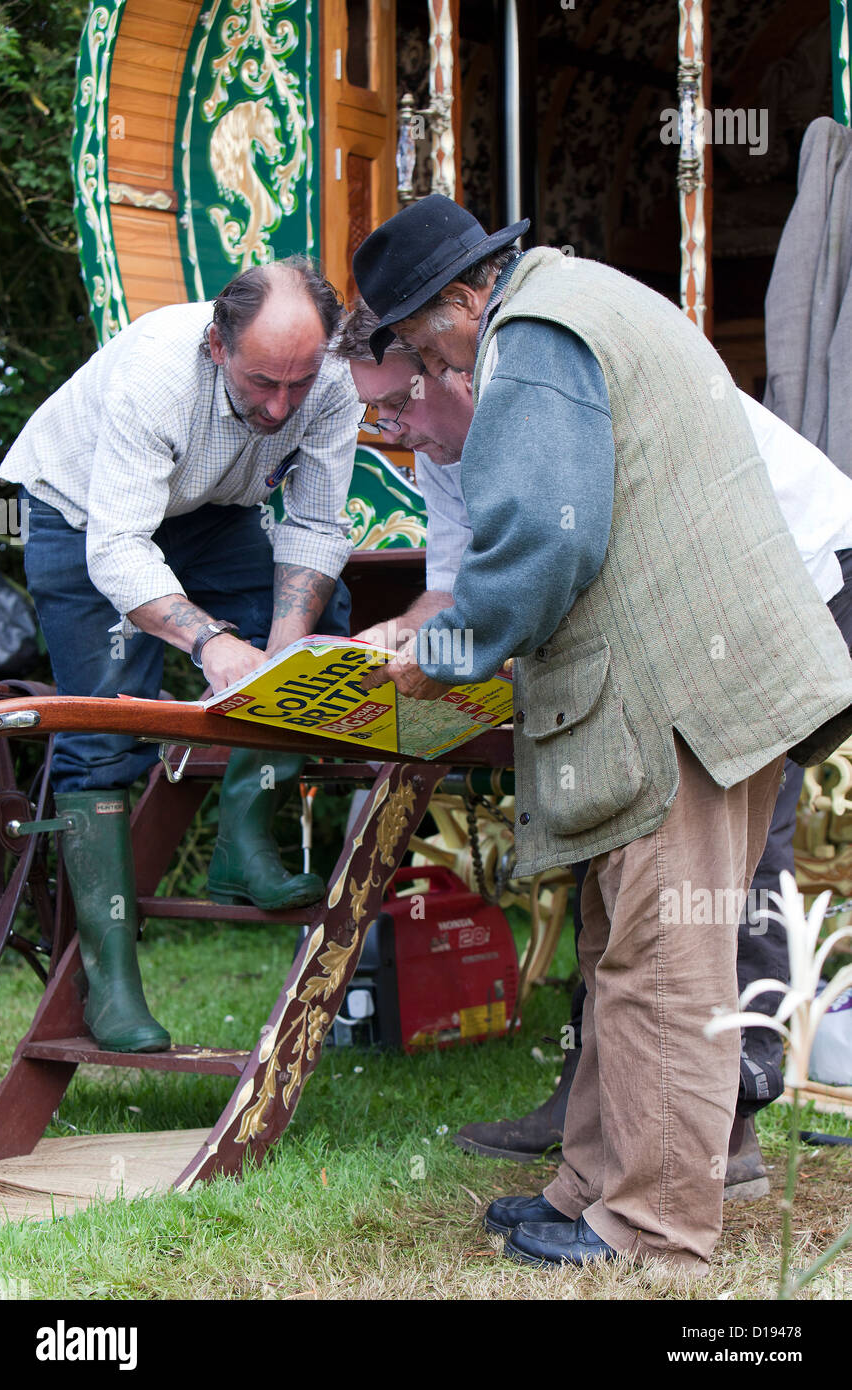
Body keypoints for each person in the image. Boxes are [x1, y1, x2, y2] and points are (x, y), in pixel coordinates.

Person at [351, 195, 852, 1272]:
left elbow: (541, 536)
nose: (427, 373)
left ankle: (655, 1226)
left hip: (685, 687)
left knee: (666, 955)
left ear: (455, 303)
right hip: (682, 676)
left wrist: (439, 655)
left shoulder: (529, 334)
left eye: (416, 348)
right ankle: (591, 1191)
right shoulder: (560, 308)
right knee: (626, 942)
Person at [0, 259, 358, 1055]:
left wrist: (280, 657)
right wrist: (213, 643)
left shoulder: (327, 381)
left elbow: (318, 526)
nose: (280, 406)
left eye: (298, 386)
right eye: (263, 382)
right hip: (83, 511)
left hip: (211, 512)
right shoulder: (158, 374)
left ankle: (243, 842)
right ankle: (111, 986)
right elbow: (120, 549)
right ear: (214, 346)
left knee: (323, 610)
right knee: (101, 731)